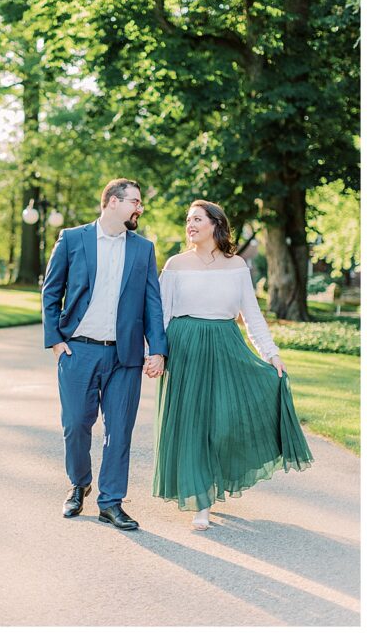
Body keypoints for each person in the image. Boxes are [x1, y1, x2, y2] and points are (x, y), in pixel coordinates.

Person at [152, 200, 313, 530]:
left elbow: (252, 316)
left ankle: (213, 484)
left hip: (225, 346)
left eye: (197, 219)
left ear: (215, 224)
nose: (190, 224)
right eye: (188, 220)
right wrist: (156, 353)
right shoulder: (175, 264)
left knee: (223, 423)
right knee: (192, 425)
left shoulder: (237, 264)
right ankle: (202, 502)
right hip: (184, 348)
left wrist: (272, 354)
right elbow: (161, 315)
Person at [41, 178, 168, 531]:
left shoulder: (143, 249)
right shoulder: (72, 239)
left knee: (120, 431)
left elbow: (152, 304)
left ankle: (111, 502)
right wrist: (55, 341)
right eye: (135, 201)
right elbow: (51, 292)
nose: (139, 208)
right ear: (113, 202)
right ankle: (79, 483)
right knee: (75, 425)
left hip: (124, 357)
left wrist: (157, 349)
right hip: (78, 350)